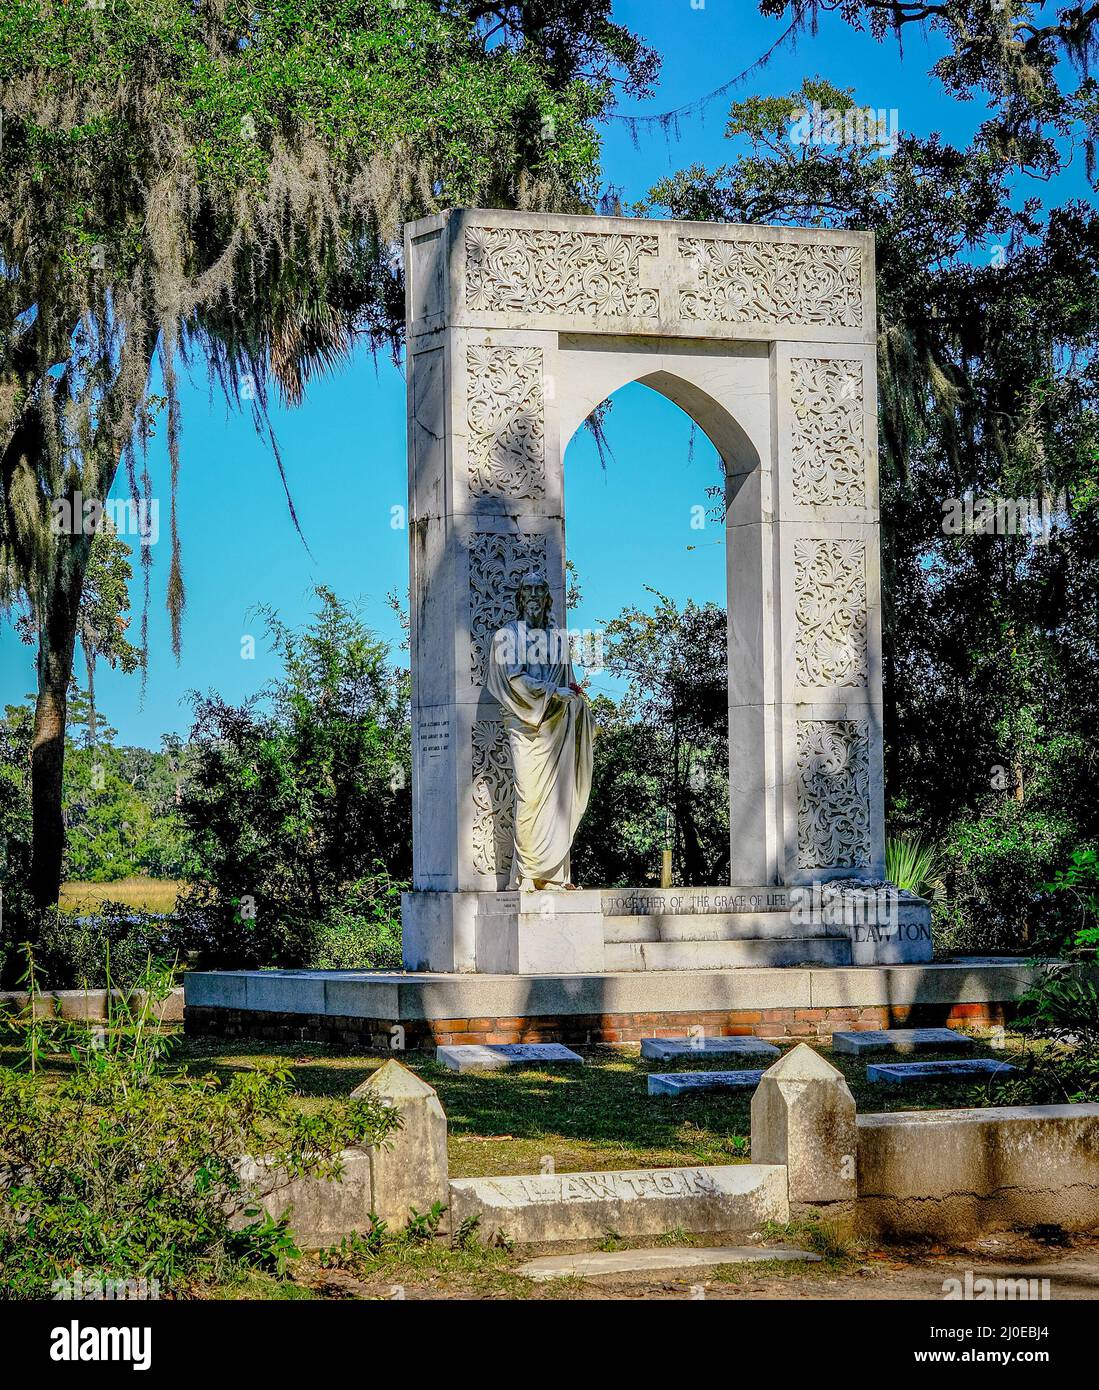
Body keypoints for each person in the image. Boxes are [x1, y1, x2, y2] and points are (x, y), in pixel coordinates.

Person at [486, 570, 593, 890]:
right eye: (527, 589)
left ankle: (554, 876)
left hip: (556, 727)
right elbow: (513, 680)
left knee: (557, 799)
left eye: (539, 590)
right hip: (524, 726)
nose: (533, 595)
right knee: (529, 797)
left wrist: (575, 701)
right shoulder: (507, 636)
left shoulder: (557, 637)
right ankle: (525, 875)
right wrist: (551, 692)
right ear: (520, 597)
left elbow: (569, 682)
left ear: (547, 597)